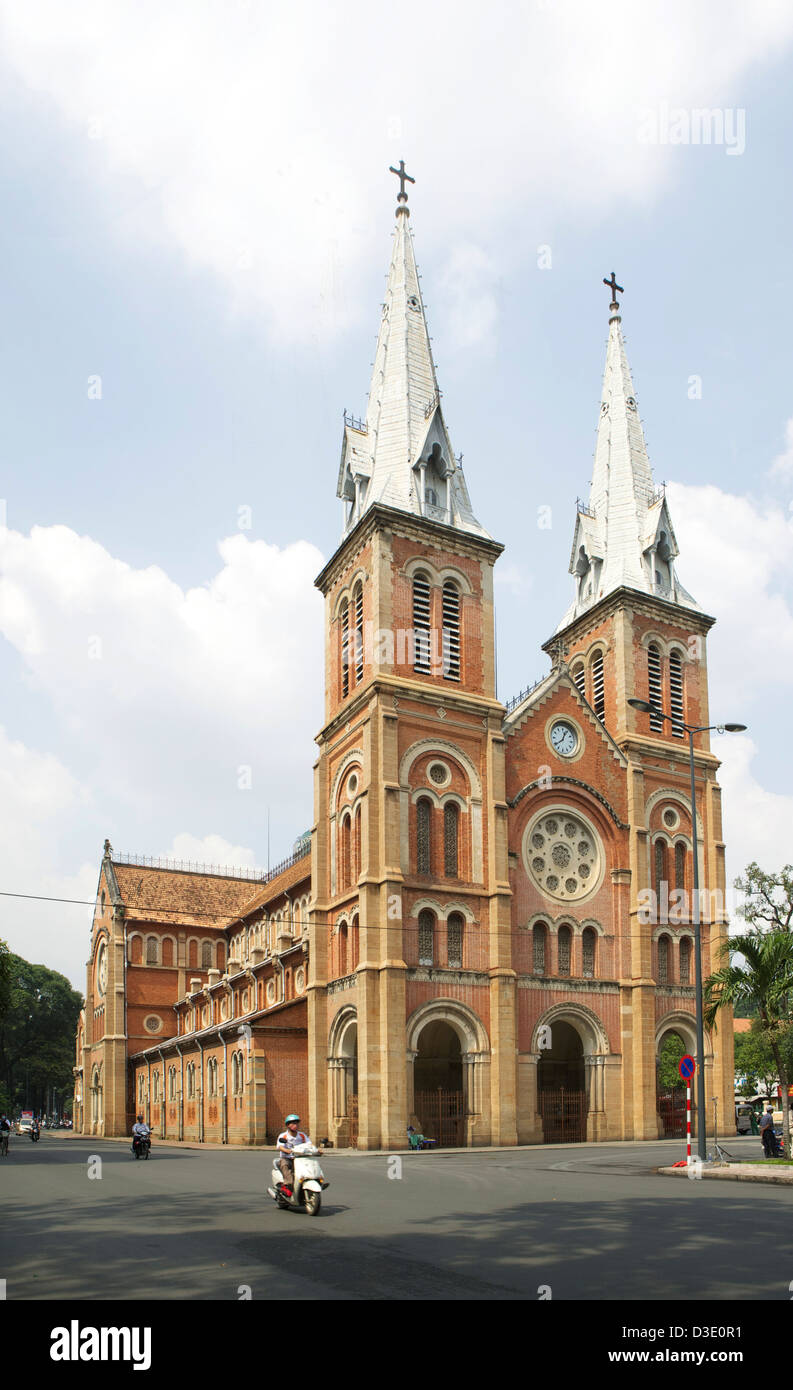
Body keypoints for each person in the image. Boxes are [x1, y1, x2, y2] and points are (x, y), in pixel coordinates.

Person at [274, 1114, 310, 1192]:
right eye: (293, 1123)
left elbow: (309, 1144)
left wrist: (316, 1150)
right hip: (287, 1158)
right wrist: (287, 1150)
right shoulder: (283, 1136)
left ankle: (315, 1180)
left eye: (297, 1123)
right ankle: (287, 1185)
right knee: (284, 1165)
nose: (295, 1125)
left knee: (310, 1165)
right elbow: (280, 1146)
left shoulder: (302, 1135)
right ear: (288, 1125)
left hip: (300, 1159)